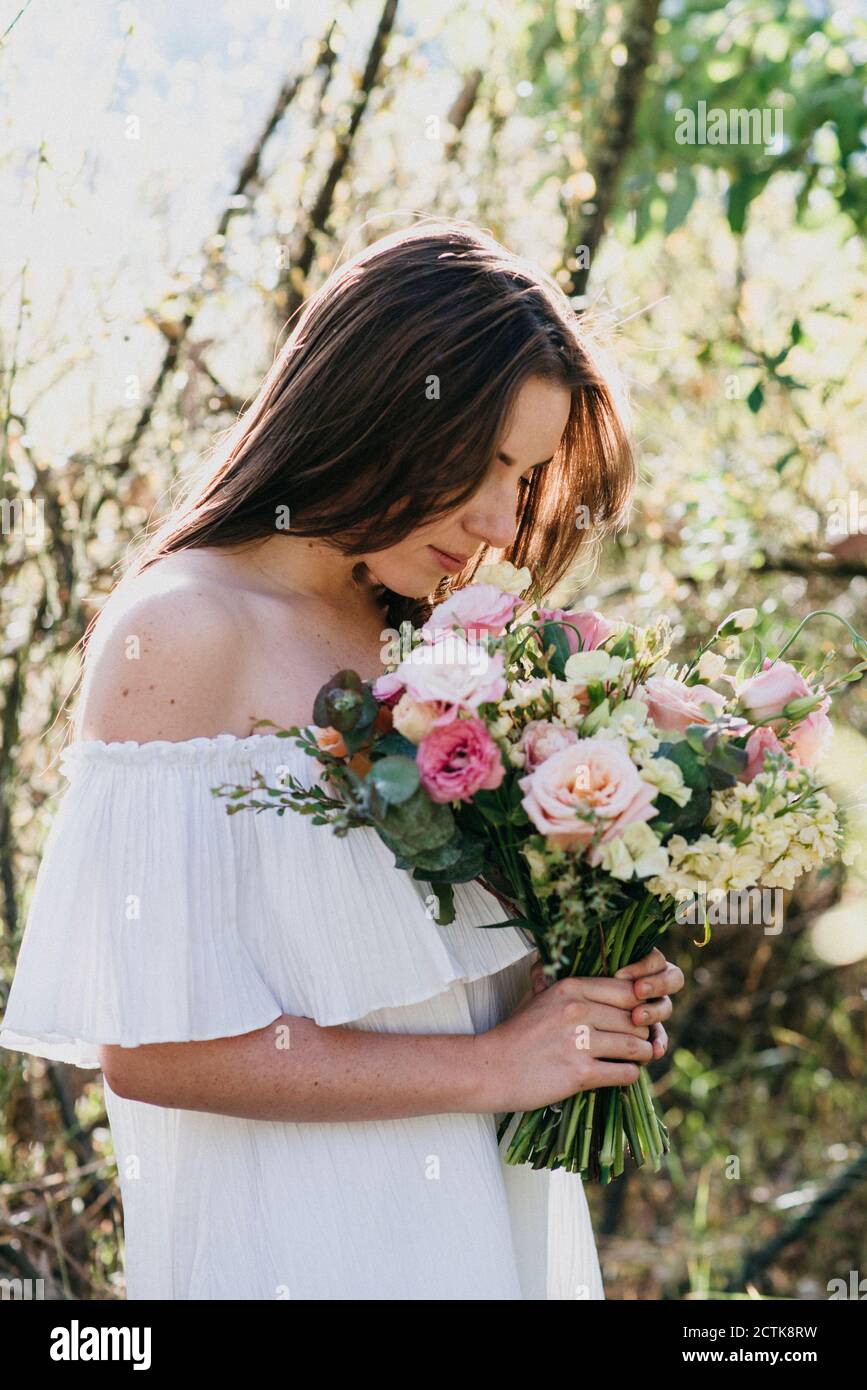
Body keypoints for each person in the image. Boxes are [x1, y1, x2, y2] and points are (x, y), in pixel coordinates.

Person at [0, 219, 684, 1300]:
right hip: (306, 1241)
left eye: (528, 478)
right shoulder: (184, 631)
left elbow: (424, 980)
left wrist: (584, 991)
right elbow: (149, 1047)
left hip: (481, 1219)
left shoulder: (435, 640)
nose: (504, 522)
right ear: (379, 404)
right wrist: (493, 1066)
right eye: (490, 465)